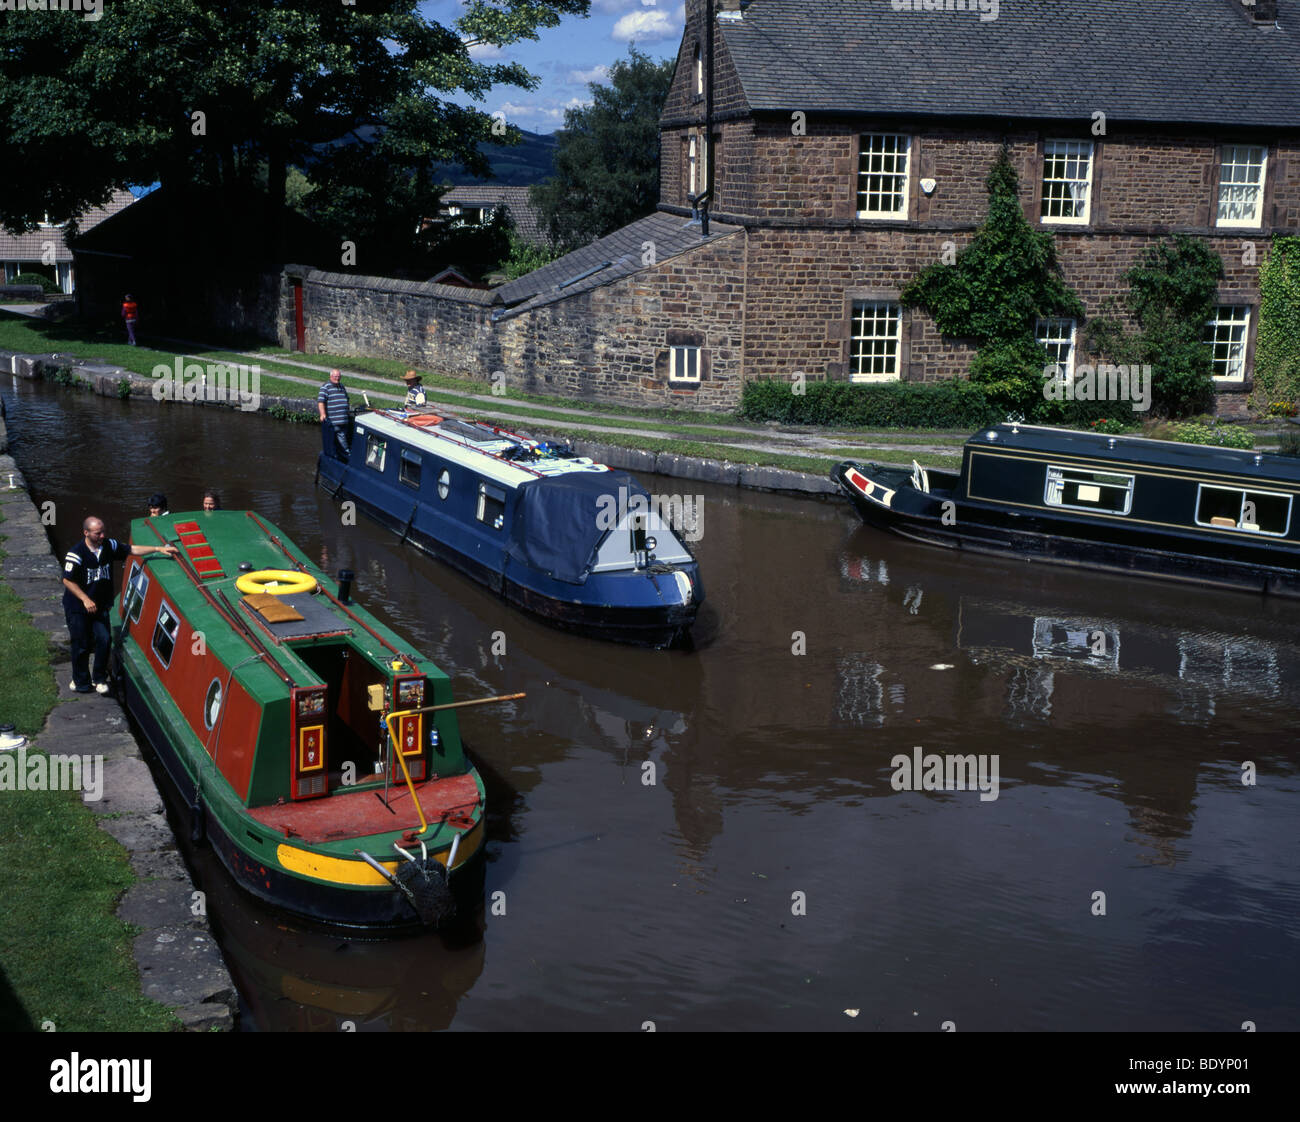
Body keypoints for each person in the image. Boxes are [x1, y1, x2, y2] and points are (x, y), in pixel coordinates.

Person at [62, 517, 178, 694]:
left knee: (104, 639)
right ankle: (80, 681)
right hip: (78, 607)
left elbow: (131, 549)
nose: (102, 535)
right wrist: (85, 599)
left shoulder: (109, 546)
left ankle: (99, 678)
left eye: (103, 531)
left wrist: (158, 549)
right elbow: (67, 580)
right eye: (98, 533)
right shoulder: (76, 554)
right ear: (86, 533)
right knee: (82, 644)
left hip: (99, 605)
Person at [318, 368, 350, 460]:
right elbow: (321, 401)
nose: (337, 378)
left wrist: (347, 410)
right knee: (340, 439)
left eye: (339, 377)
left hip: (344, 420)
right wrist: (322, 414)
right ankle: (346, 455)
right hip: (333, 421)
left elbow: (346, 399)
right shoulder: (326, 387)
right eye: (335, 377)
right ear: (331, 376)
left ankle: (340, 456)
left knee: (342, 438)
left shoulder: (342, 386)